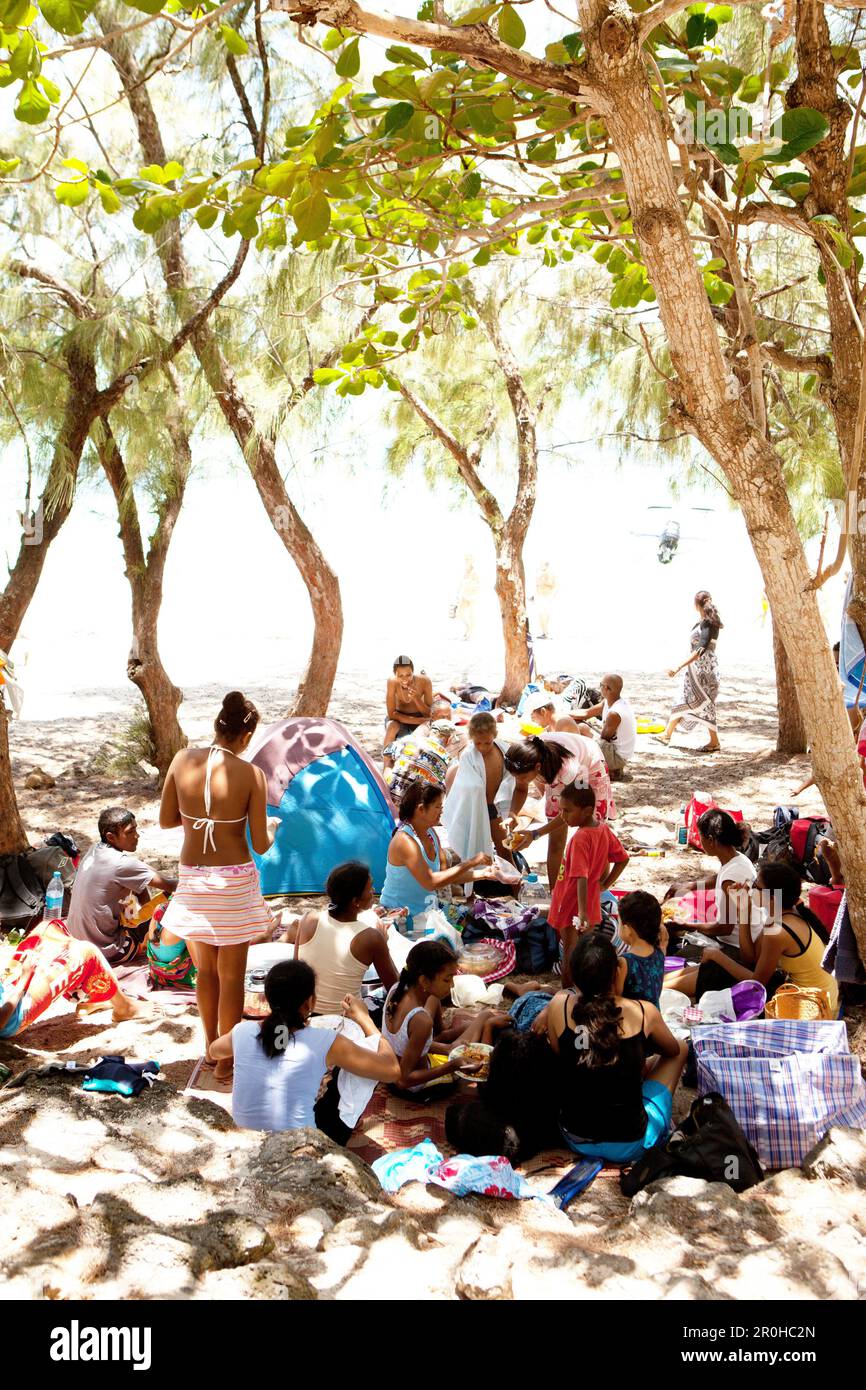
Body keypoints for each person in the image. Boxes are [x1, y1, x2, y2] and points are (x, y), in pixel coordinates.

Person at [158, 691, 277, 1083]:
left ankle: (211, 1048)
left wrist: (200, 820)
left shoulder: (181, 760)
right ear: (246, 737)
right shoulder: (250, 775)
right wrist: (272, 831)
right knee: (232, 976)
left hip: (193, 876)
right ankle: (228, 1061)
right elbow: (260, 844)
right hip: (234, 881)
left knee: (205, 972)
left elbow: (166, 820)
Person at [212, 959, 400, 1136]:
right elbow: (392, 1071)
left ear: (267, 999)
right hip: (302, 1147)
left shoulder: (243, 1031)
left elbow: (214, 1051)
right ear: (309, 1002)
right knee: (348, 1078)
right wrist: (365, 1019)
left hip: (247, 1140)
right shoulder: (326, 1041)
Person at [546, 934, 688, 1164]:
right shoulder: (644, 1012)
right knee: (682, 1047)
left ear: (575, 976)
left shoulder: (559, 1006)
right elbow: (671, 1050)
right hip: (630, 1144)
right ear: (617, 971)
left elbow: (563, 1055)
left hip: (574, 1136)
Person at [670, 862, 839, 1014]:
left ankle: (657, 989)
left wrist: (717, 956)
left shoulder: (778, 931)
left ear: (771, 898)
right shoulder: (781, 914)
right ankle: (660, 984)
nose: (749, 889)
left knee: (717, 970)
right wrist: (744, 912)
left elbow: (756, 984)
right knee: (717, 966)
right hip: (798, 991)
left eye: (756, 886)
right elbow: (750, 959)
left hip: (812, 1006)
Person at [381, 939, 510, 1091]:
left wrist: (447, 1049)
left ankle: (453, 1040)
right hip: (417, 1087)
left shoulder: (397, 989)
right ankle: (482, 1021)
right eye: (447, 979)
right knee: (482, 1021)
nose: (452, 985)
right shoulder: (421, 1020)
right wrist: (452, 1066)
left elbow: (405, 1043)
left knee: (461, 1031)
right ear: (424, 980)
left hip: (391, 1068)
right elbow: (403, 1080)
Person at [0, 918, 149, 1038]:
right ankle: (123, 1008)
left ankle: (90, 997)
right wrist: (24, 979)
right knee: (87, 952)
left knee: (48, 927)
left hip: (8, 990)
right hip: (14, 1013)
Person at [66, 807, 177, 966]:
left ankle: (142, 923)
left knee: (138, 882)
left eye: (136, 830)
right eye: (130, 832)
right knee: (172, 899)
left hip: (77, 941)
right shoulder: (120, 864)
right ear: (111, 837)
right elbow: (171, 885)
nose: (137, 836)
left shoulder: (95, 850)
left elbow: (141, 873)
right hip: (109, 949)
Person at [504, 732, 615, 889]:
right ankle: (555, 892)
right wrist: (512, 814)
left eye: (522, 777)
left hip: (589, 767)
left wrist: (535, 834)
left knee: (594, 836)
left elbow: (567, 813)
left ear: (537, 767)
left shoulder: (567, 770)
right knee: (555, 841)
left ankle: (601, 890)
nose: (519, 780)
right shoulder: (525, 757)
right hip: (557, 771)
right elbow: (521, 789)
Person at [292, 860, 400, 1014]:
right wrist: (384, 942)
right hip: (346, 1021)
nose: (373, 891)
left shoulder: (308, 919)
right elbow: (394, 989)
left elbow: (295, 973)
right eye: (370, 889)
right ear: (355, 901)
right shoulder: (372, 937)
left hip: (305, 1015)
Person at [547, 785, 629, 986]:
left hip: (571, 902)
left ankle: (568, 993)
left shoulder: (580, 838)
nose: (563, 816)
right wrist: (604, 885)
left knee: (570, 952)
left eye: (567, 811)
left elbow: (580, 877)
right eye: (561, 810)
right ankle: (584, 990)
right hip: (591, 901)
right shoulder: (602, 829)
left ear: (587, 810)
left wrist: (581, 912)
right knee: (586, 951)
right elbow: (623, 858)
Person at [379, 782, 492, 928]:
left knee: (478, 924)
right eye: (437, 807)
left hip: (428, 910)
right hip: (402, 915)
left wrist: (484, 874)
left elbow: (445, 876)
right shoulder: (404, 841)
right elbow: (431, 882)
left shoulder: (431, 834)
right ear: (421, 809)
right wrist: (470, 862)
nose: (441, 811)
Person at [664, 808, 760, 949]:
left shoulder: (731, 879)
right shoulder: (737, 858)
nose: (699, 840)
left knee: (677, 946)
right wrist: (691, 885)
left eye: (700, 835)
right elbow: (720, 877)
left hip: (736, 946)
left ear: (710, 840)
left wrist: (686, 925)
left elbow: (724, 928)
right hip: (743, 936)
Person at [442, 711, 516, 861]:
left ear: (494, 736)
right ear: (471, 739)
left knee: (504, 850)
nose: (482, 748)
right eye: (478, 743)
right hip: (474, 808)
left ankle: (514, 884)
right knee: (474, 853)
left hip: (495, 808)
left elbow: (513, 778)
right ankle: (478, 882)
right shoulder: (468, 756)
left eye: (487, 743)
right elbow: (465, 786)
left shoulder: (503, 751)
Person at [657, 590, 723, 753]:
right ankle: (667, 734)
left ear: (696, 605)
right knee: (683, 698)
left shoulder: (708, 622)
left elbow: (700, 649)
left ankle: (714, 742)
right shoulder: (706, 621)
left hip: (704, 671)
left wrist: (678, 667)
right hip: (697, 669)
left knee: (706, 704)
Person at [575, 674, 637, 782]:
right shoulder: (609, 702)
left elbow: (604, 739)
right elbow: (586, 713)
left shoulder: (614, 713)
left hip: (617, 757)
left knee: (579, 739)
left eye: (601, 685)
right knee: (580, 727)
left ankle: (610, 769)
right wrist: (563, 715)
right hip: (614, 748)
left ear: (607, 689)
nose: (599, 688)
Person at [385, 718, 459, 807]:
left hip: (389, 798)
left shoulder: (408, 740)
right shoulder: (449, 760)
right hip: (415, 810)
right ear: (449, 739)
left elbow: (386, 753)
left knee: (390, 762)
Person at [615, 890, 667, 1006]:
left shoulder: (624, 962)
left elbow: (616, 999)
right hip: (654, 1019)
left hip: (634, 1022)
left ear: (627, 929)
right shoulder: (659, 952)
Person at [384, 656, 433, 762]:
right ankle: (387, 766)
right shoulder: (392, 682)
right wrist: (418, 720)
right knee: (391, 726)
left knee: (413, 749)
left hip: (420, 720)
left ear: (413, 672)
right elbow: (392, 714)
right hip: (400, 720)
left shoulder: (425, 681)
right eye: (400, 675)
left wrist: (416, 699)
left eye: (408, 675)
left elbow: (429, 714)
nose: (405, 679)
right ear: (395, 675)